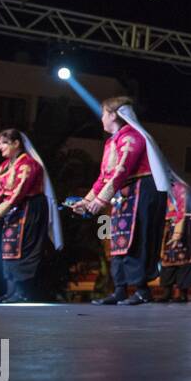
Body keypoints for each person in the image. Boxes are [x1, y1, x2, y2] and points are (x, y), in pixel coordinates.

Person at [79, 97, 171, 305]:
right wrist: (86, 201)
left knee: (137, 238)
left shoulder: (132, 137)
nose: (101, 118)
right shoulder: (112, 141)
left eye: (104, 113)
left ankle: (141, 289)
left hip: (141, 190)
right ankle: (120, 289)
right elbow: (105, 175)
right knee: (119, 240)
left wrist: (101, 199)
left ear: (113, 115)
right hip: (124, 193)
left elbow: (122, 169)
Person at [0, 128, 62, 303]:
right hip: (12, 211)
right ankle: (11, 292)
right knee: (9, 250)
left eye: (4, 143)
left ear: (16, 143)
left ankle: (23, 292)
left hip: (30, 208)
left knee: (24, 250)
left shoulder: (28, 165)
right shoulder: (3, 167)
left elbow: (17, 194)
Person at [156, 174, 191, 303]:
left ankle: (182, 292)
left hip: (185, 226)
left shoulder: (181, 188)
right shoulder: (164, 188)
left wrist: (178, 233)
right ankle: (167, 291)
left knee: (183, 258)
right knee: (167, 258)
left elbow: (182, 209)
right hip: (168, 225)